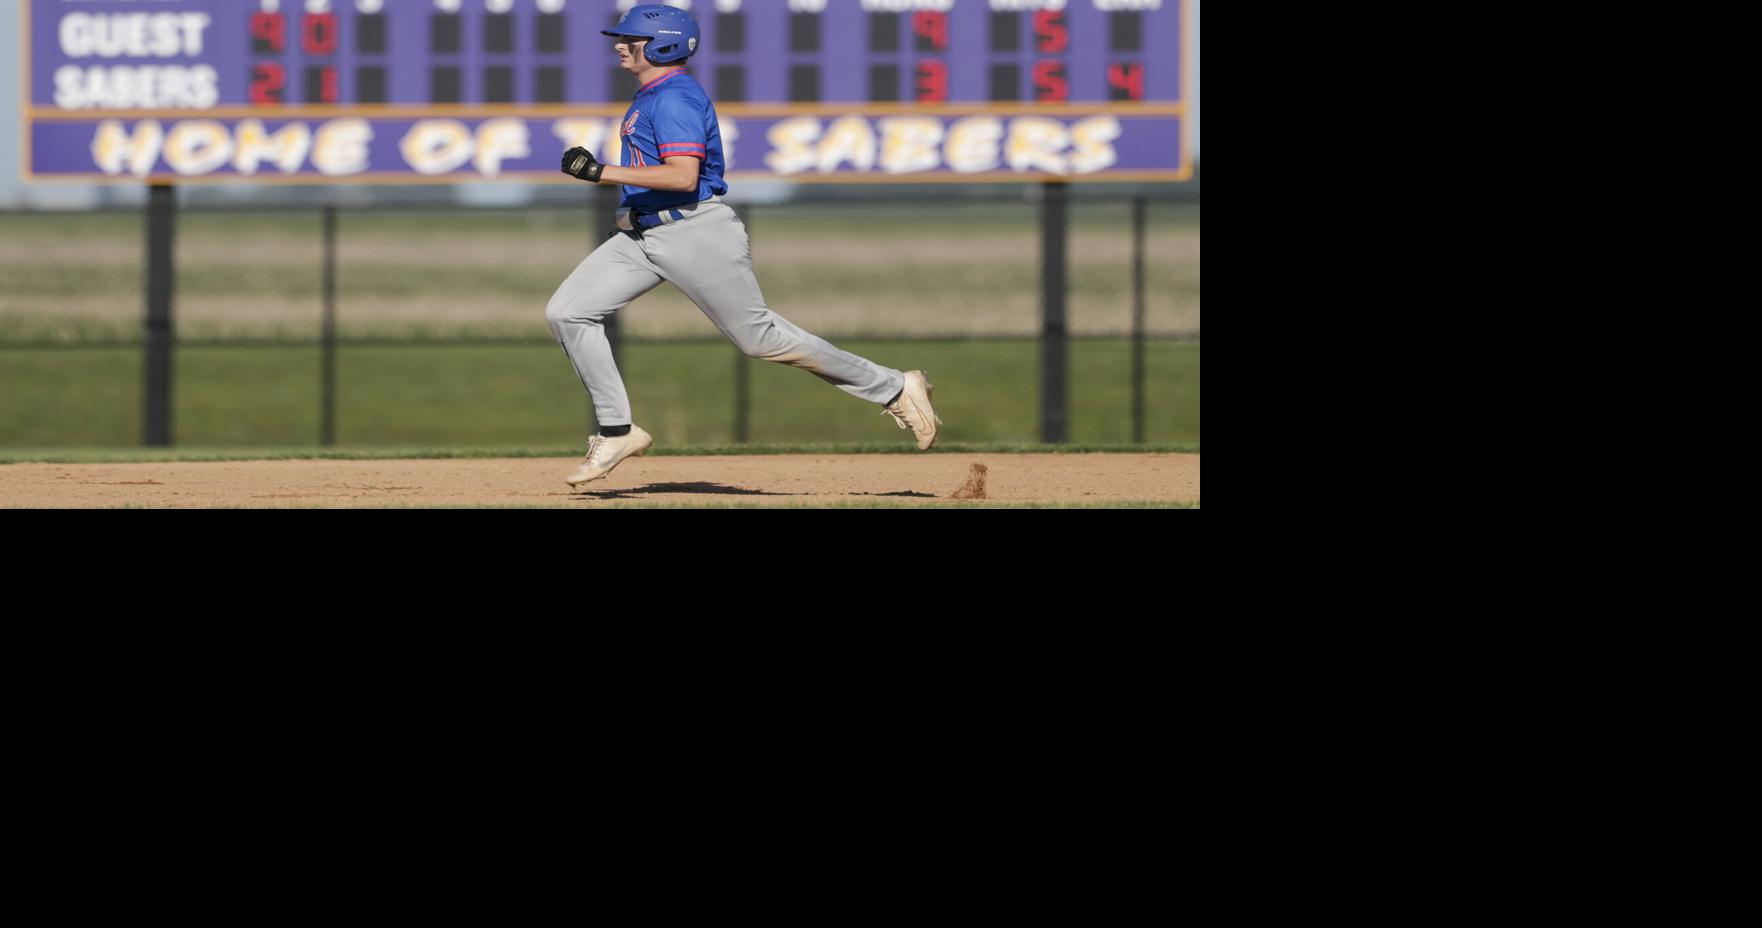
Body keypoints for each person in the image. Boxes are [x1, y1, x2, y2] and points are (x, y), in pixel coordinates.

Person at [547, 4, 941, 488]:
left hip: (693, 231)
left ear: (665, 44)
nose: (620, 45)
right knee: (568, 311)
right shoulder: (652, 95)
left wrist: (600, 171)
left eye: (631, 39)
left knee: (761, 340)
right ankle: (617, 430)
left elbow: (682, 175)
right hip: (642, 233)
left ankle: (897, 387)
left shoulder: (674, 98)